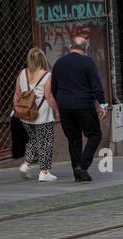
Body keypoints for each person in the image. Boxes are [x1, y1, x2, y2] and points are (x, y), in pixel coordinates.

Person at [51, 36, 109, 183]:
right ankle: (82, 166)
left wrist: (60, 104)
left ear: (71, 46)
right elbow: (96, 85)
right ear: (86, 48)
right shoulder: (87, 62)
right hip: (84, 105)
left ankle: (77, 173)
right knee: (95, 134)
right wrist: (102, 105)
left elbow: (54, 87)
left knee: (73, 139)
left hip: (65, 106)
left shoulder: (59, 63)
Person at [14, 48, 59, 182]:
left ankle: (26, 165)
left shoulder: (22, 73)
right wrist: (56, 110)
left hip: (26, 115)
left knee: (32, 140)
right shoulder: (46, 75)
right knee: (45, 142)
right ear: (43, 59)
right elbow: (48, 96)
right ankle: (44, 172)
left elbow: (17, 94)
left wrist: (17, 109)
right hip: (42, 115)